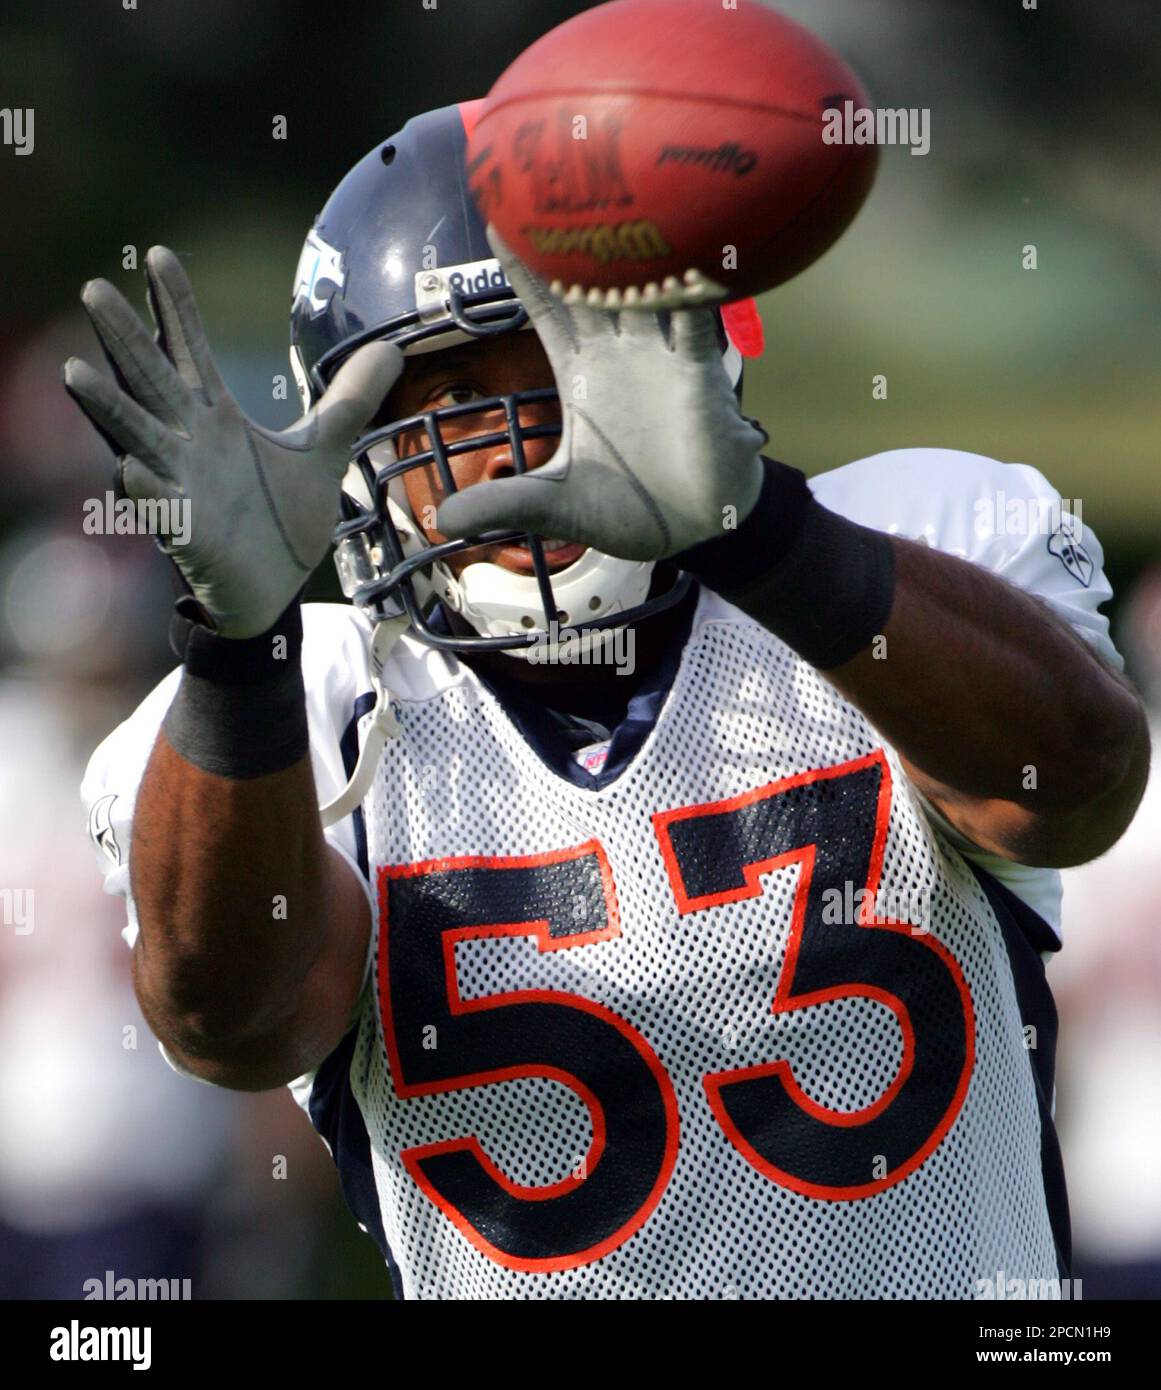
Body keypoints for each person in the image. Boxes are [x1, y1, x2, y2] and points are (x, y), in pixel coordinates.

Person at [67, 101, 1148, 1300]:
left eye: (553, 364)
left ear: (684, 357)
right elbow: (237, 1023)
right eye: (438, 400)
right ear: (352, 445)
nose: (503, 441)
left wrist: (765, 530)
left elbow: (1072, 786)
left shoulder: (902, 554)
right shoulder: (311, 708)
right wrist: (237, 655)